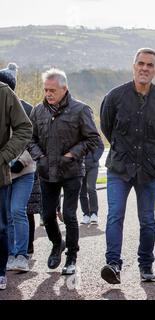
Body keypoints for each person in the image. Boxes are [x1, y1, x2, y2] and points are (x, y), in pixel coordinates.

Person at [100, 48, 155, 284]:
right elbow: (106, 128)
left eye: (150, 65)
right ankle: (113, 264)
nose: (144, 68)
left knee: (147, 219)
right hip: (119, 168)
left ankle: (146, 264)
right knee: (115, 216)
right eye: (140, 63)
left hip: (148, 169)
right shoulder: (114, 97)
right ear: (133, 66)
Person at [29, 68, 100, 276]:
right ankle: (57, 244)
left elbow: (93, 139)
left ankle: (71, 257)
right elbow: (30, 139)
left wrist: (72, 154)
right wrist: (39, 157)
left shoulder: (80, 110)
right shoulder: (37, 111)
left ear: (64, 89)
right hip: (46, 171)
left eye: (52, 90)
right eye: (45, 90)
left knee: (69, 215)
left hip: (71, 171)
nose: (48, 94)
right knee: (48, 215)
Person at [0, 64, 35, 273]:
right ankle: (12, 252)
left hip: (22, 171)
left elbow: (30, 138)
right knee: (8, 216)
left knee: (16, 211)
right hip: (6, 171)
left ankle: (21, 254)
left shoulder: (26, 108)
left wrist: (11, 158)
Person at [80, 138, 104, 225]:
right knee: (82, 192)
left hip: (92, 166)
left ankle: (94, 213)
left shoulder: (92, 131)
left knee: (91, 188)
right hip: (80, 167)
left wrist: (95, 157)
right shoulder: (76, 130)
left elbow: (101, 146)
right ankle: (86, 214)